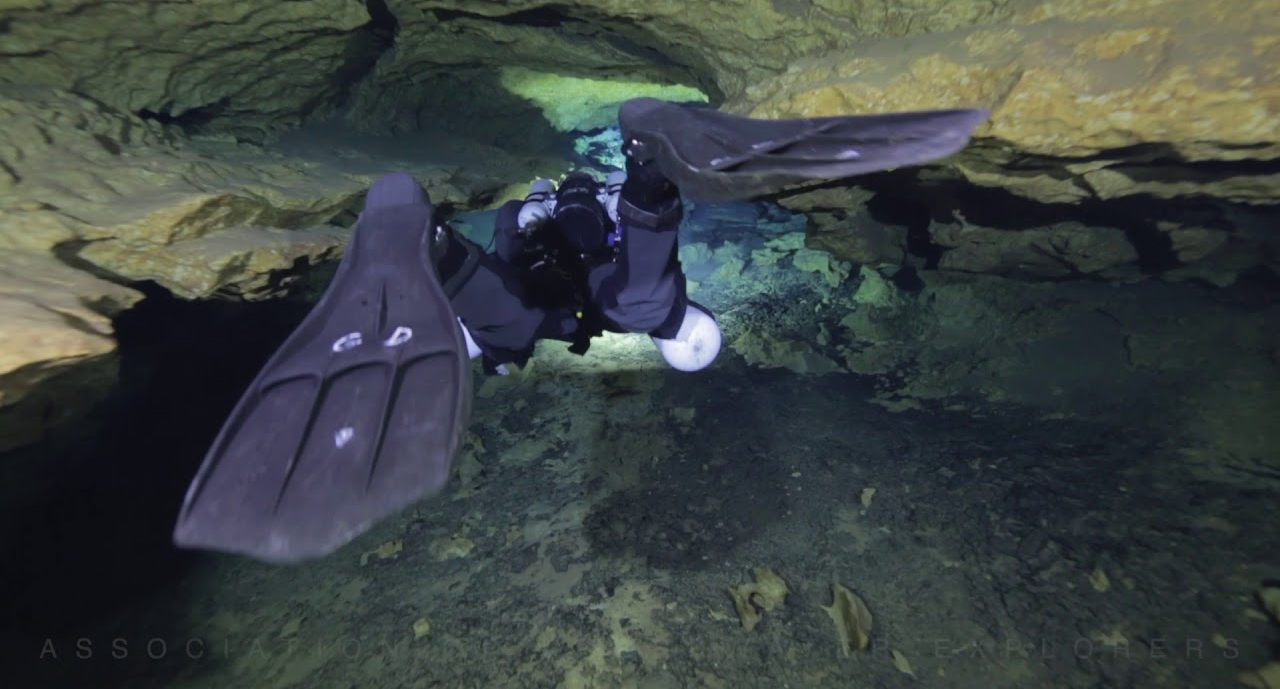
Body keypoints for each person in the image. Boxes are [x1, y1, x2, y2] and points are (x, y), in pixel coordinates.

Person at [171, 97, 991, 563]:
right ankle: (649, 169)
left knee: (517, 323)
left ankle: (412, 233)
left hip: (540, 280)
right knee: (615, 312)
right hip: (585, 280)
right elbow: (642, 305)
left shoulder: (534, 202)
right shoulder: (566, 205)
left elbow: (529, 255)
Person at [444, 156, 722, 376]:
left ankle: (446, 259)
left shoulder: (527, 221)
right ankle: (650, 192)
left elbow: (510, 239)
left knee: (511, 320)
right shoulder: (605, 219)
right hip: (586, 287)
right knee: (639, 307)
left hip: (546, 292)